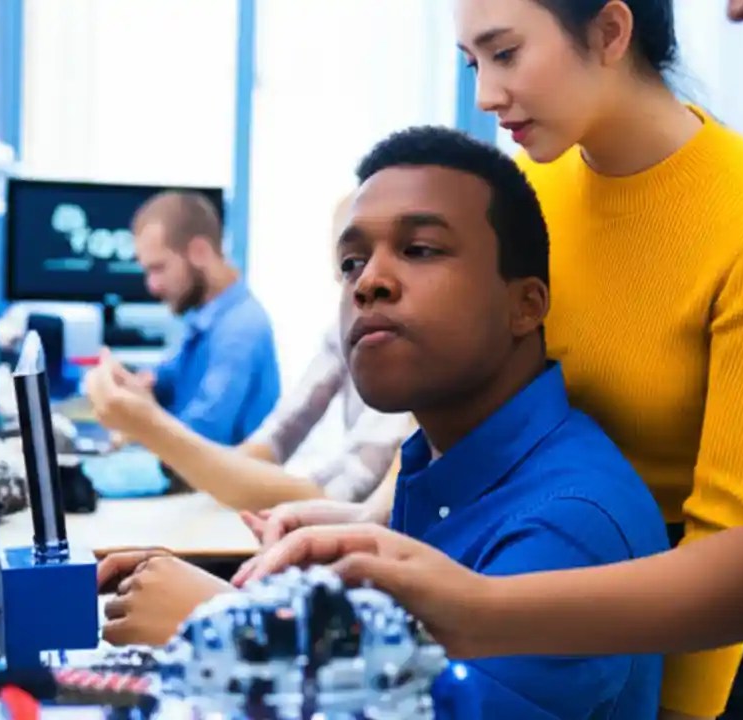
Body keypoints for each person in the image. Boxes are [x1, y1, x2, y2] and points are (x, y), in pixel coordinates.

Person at [241, 1, 743, 718]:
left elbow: (741, 525)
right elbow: (474, 395)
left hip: (674, 630)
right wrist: (381, 528)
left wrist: (675, 710)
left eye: (505, 53)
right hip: (555, 580)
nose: (485, 93)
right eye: (471, 62)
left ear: (610, 32)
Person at [97, 126, 671, 719]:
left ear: (525, 304)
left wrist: (219, 625)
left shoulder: (565, 526)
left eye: (420, 249)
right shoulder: (441, 469)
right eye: (351, 263)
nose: (368, 281)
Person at [84, 195, 413, 510]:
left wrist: (146, 425)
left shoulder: (241, 329)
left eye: (158, 269)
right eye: (350, 267)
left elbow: (334, 498)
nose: (366, 286)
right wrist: (141, 400)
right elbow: (274, 440)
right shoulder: (202, 321)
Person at [99, 191, 279, 450]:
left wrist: (142, 415)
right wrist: (138, 382)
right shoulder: (207, 315)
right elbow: (171, 374)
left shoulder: (240, 330)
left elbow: (201, 440)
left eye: (158, 268)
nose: (152, 286)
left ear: (199, 251)